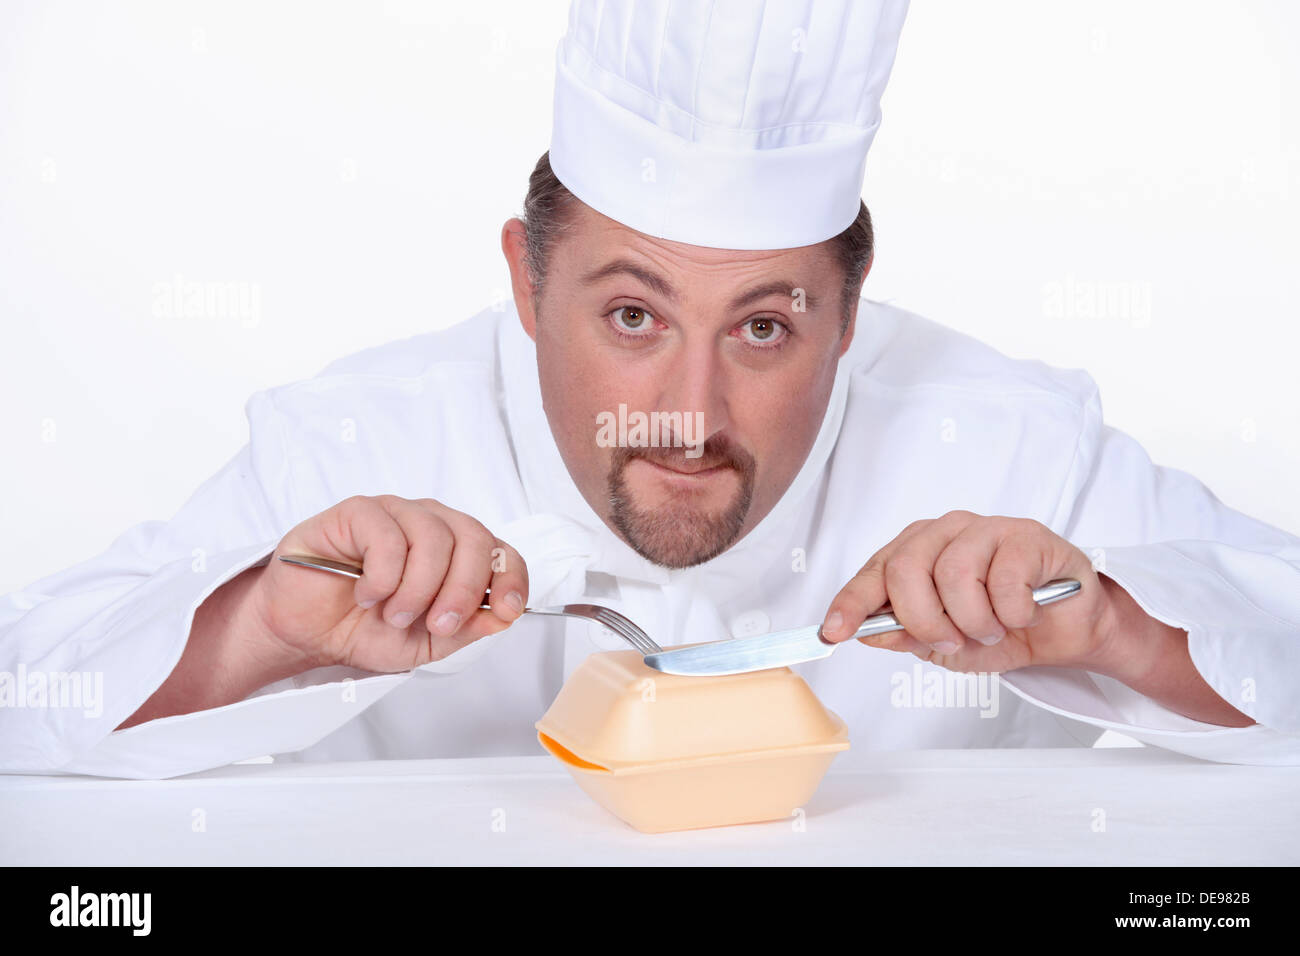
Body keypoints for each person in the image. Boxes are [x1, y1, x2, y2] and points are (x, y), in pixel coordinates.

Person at [3, 0, 1298, 779]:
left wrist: (1121, 633)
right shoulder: (353, 447)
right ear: (525, 281)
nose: (692, 409)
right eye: (631, 315)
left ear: (851, 315)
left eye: (766, 327)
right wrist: (256, 628)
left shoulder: (1013, 450)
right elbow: (22, 704)